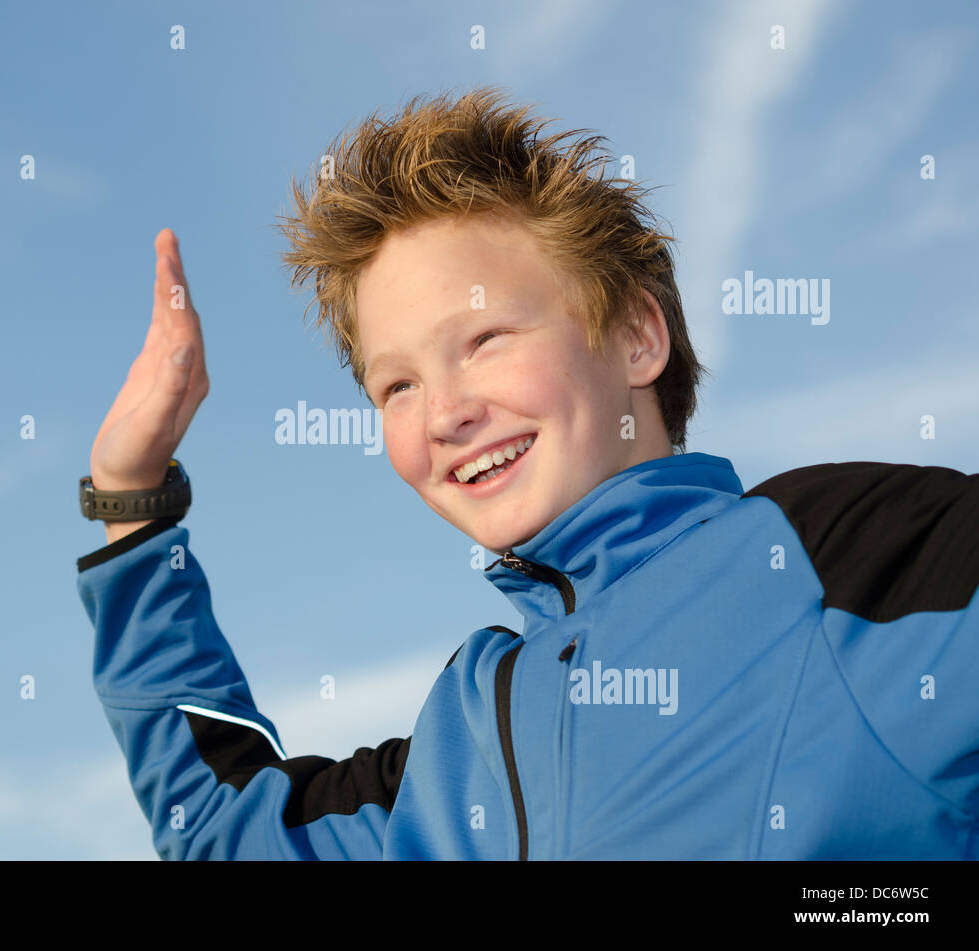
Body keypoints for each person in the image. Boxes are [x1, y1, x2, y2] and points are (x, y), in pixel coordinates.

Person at [75, 86, 978, 859]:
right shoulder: (462, 737)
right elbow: (226, 831)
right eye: (397, 384)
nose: (443, 413)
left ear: (635, 335)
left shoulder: (841, 561)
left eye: (484, 340)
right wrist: (132, 496)